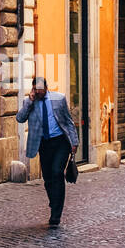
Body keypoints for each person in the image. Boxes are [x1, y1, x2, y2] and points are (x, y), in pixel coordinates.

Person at [16, 75, 79, 228]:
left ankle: (56, 215)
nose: (39, 93)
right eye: (36, 90)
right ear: (33, 90)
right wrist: (30, 101)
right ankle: (54, 200)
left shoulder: (59, 99)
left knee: (57, 172)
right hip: (43, 144)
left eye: (41, 90)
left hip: (60, 142)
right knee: (48, 178)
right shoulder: (29, 102)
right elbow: (20, 118)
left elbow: (68, 121)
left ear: (46, 88)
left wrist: (74, 142)